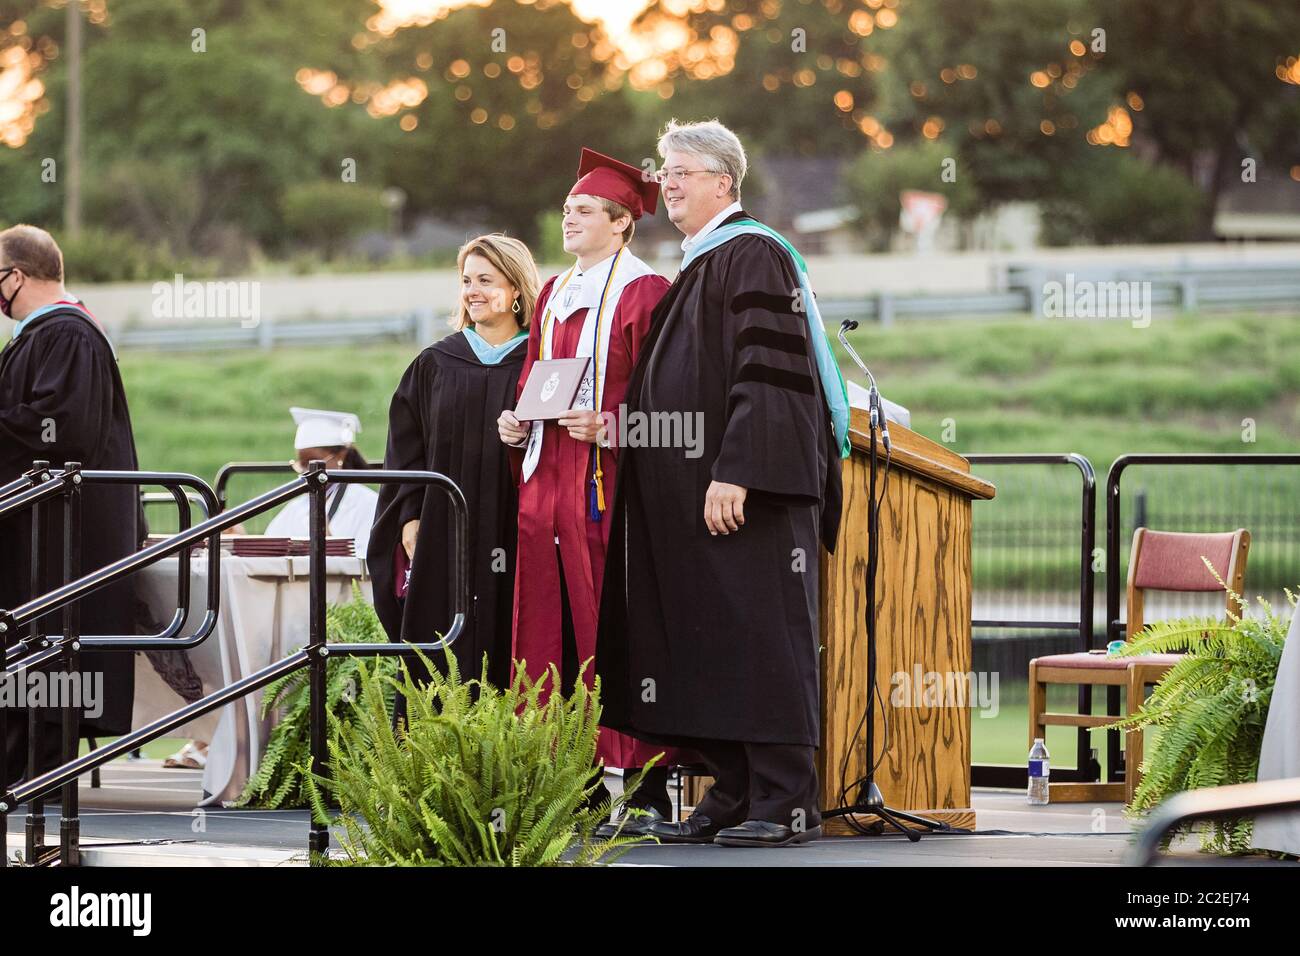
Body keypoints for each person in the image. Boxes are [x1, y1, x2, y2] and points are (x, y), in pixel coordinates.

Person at [595, 120, 849, 847]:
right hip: (694, 500)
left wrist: (737, 468)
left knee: (761, 639)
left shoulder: (755, 255)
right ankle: (734, 791)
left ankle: (785, 799)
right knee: (716, 643)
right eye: (665, 170)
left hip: (745, 496)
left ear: (724, 184)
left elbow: (767, 376)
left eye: (682, 170)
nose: (666, 182)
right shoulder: (704, 261)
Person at [497, 149, 677, 833]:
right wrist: (515, 419)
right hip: (547, 481)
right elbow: (535, 378)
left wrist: (614, 424)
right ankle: (565, 778)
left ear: (622, 223)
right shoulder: (552, 293)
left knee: (611, 628)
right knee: (545, 630)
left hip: (608, 485)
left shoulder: (644, 291)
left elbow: (671, 398)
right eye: (566, 208)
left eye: (583, 210)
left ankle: (645, 782)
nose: (568, 217)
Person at [0, 224, 143, 785]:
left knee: (50, 651)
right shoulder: (45, 336)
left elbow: (63, 432)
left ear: (15, 275)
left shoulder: (68, 335)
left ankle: (34, 779)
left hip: (61, 537)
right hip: (37, 531)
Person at [369, 234, 534, 692]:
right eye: (466, 281)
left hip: (514, 525)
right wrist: (409, 516)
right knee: (438, 639)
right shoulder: (437, 363)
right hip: (443, 529)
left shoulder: (539, 362)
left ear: (516, 288)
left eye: (486, 279)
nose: (473, 291)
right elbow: (406, 450)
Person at [264, 407, 379, 554]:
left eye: (312, 463)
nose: (306, 471)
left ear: (340, 457)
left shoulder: (367, 503)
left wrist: (330, 545)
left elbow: (369, 564)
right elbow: (268, 551)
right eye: (302, 464)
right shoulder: (298, 505)